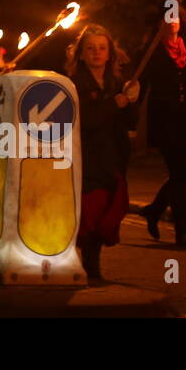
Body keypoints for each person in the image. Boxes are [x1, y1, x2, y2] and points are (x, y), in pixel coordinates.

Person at [65, 23, 138, 281]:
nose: (97, 53)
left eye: (102, 48)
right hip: (87, 156)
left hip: (112, 157)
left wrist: (131, 101)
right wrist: (113, 104)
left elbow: (129, 122)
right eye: (91, 48)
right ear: (81, 53)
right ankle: (89, 269)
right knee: (90, 214)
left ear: (110, 52)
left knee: (108, 210)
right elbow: (83, 118)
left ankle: (90, 267)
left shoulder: (117, 82)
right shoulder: (73, 84)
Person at [139, 11, 186, 249]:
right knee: (177, 173)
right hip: (166, 119)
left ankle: (154, 210)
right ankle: (181, 230)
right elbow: (140, 84)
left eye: (176, 17)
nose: (173, 20)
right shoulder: (151, 52)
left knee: (182, 175)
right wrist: (129, 119)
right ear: (159, 23)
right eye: (167, 16)